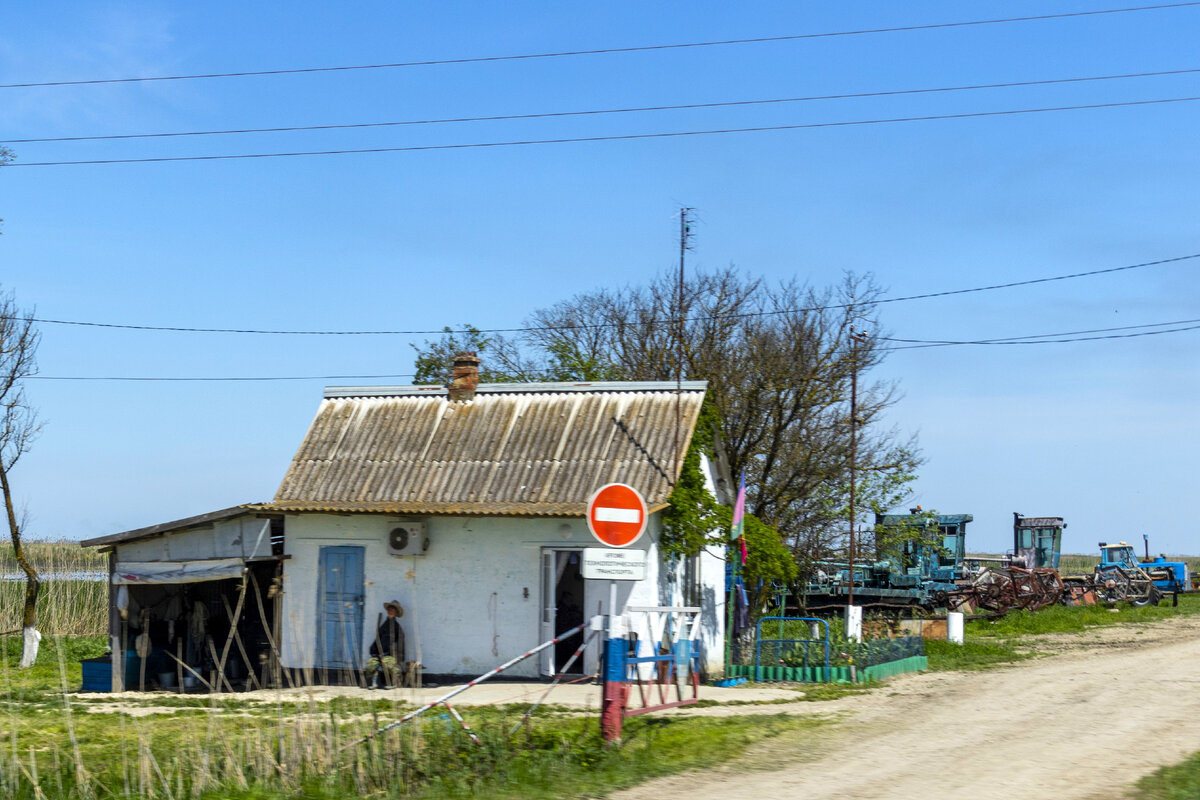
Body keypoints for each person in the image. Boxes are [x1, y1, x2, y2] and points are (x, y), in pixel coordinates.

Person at [367, 600, 405, 689]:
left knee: (389, 664)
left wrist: (398, 656)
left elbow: (400, 643)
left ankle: (394, 683)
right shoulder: (384, 625)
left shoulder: (397, 627)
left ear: (396, 612)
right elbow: (377, 639)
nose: (390, 610)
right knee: (371, 665)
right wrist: (374, 652)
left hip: (390, 655)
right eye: (389, 609)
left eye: (392, 609)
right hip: (379, 653)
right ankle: (374, 682)